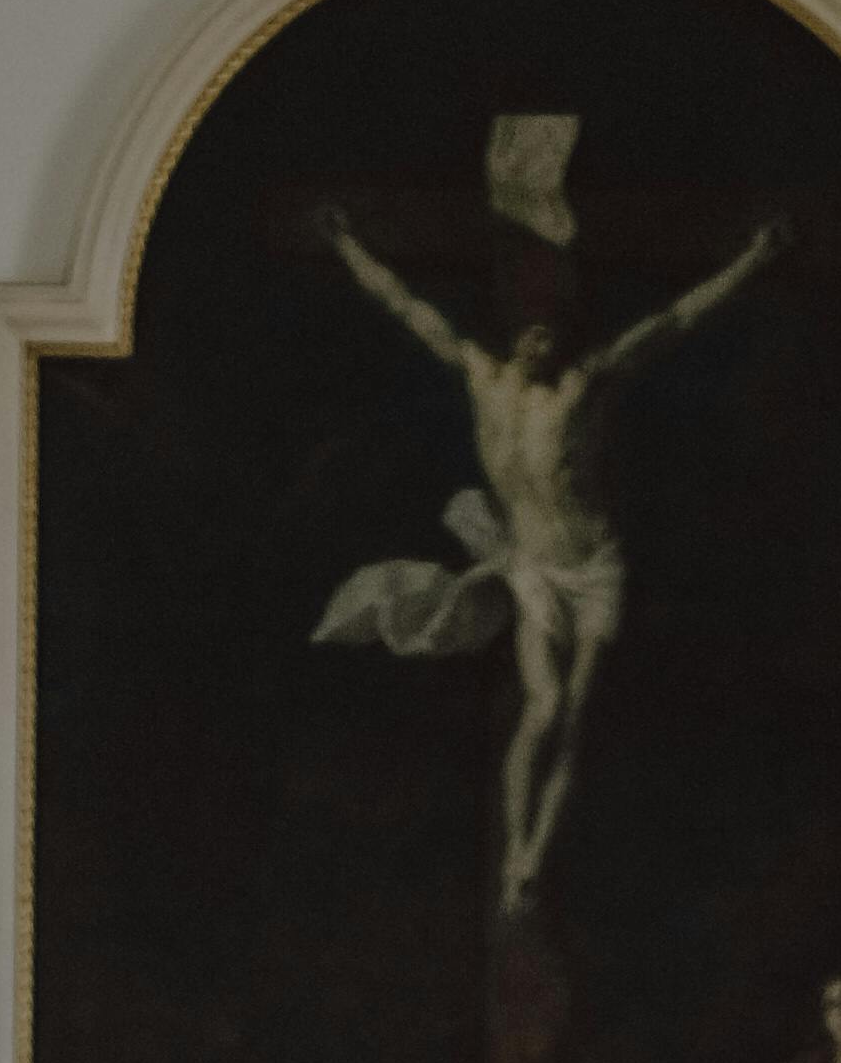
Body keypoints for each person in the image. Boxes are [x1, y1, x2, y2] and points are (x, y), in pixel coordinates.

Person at [313, 211, 786, 912]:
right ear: (513, 333)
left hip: (593, 571)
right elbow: (405, 305)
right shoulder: (480, 374)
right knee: (542, 707)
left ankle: (536, 855)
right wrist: (349, 245)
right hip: (533, 567)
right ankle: (515, 857)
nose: (545, 341)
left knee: (575, 714)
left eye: (554, 332)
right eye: (533, 330)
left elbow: (673, 321)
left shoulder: (582, 386)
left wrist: (752, 259)